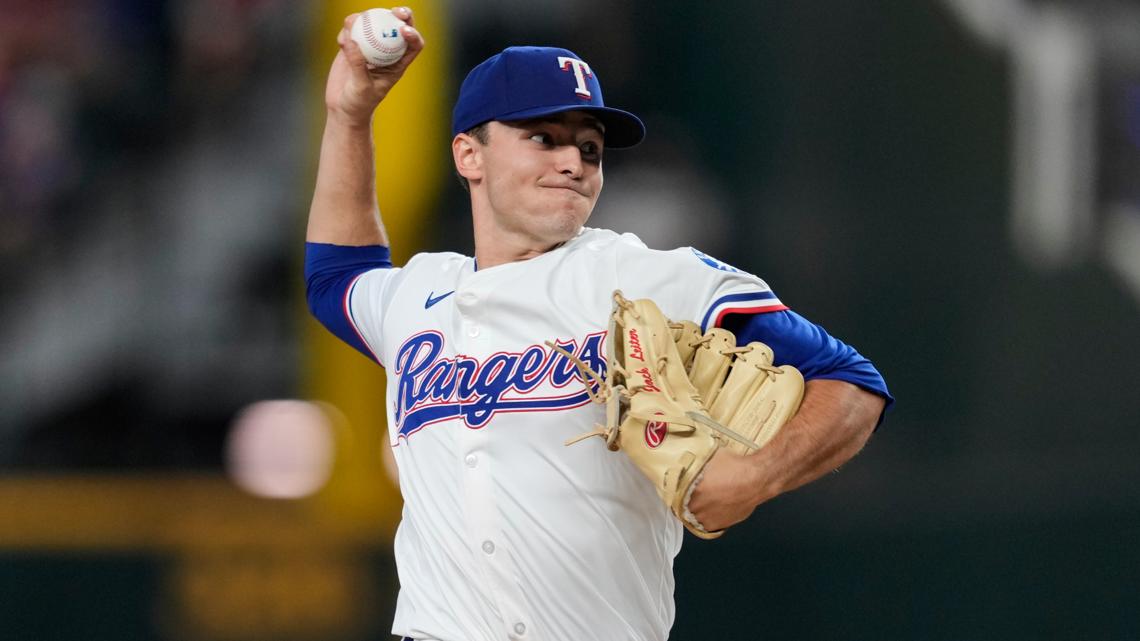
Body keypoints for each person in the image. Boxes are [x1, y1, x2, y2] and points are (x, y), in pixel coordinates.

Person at [305, 9, 892, 641]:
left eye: (589, 147)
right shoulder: (418, 294)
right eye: (544, 138)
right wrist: (349, 115)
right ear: (468, 154)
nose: (574, 162)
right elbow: (336, 276)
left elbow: (850, 380)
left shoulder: (650, 276)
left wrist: (755, 475)